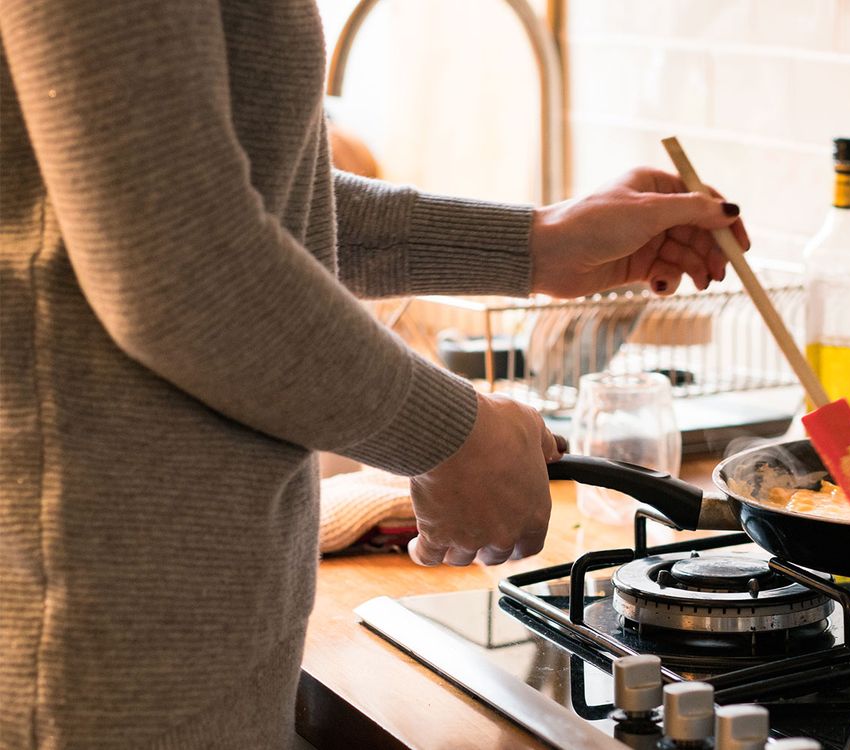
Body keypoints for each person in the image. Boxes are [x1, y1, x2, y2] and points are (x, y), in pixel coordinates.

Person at [0, 1, 748, 747]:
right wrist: (449, 434)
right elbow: (183, 264)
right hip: (99, 632)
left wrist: (533, 245)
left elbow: (243, 196)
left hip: (166, 615)